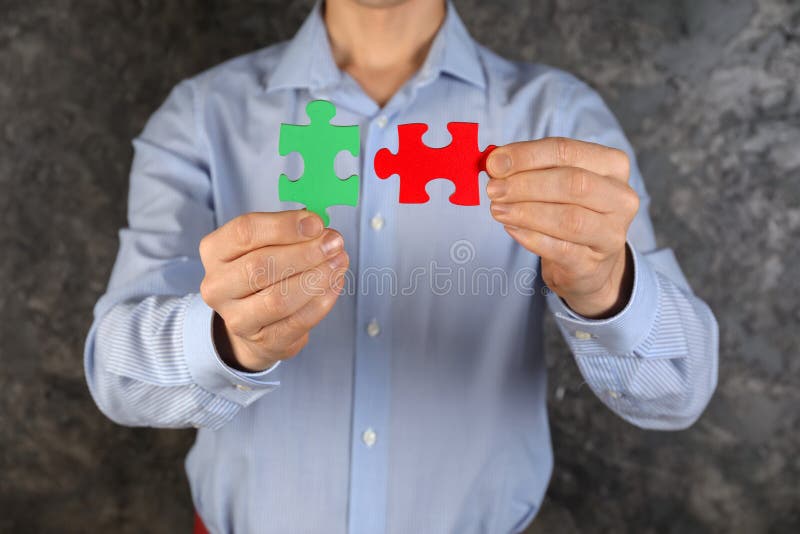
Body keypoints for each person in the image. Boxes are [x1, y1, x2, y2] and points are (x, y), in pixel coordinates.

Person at [83, 0, 719, 532]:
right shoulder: (200, 115)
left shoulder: (557, 118)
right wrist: (224, 338)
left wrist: (607, 288)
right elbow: (116, 374)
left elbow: (679, 389)